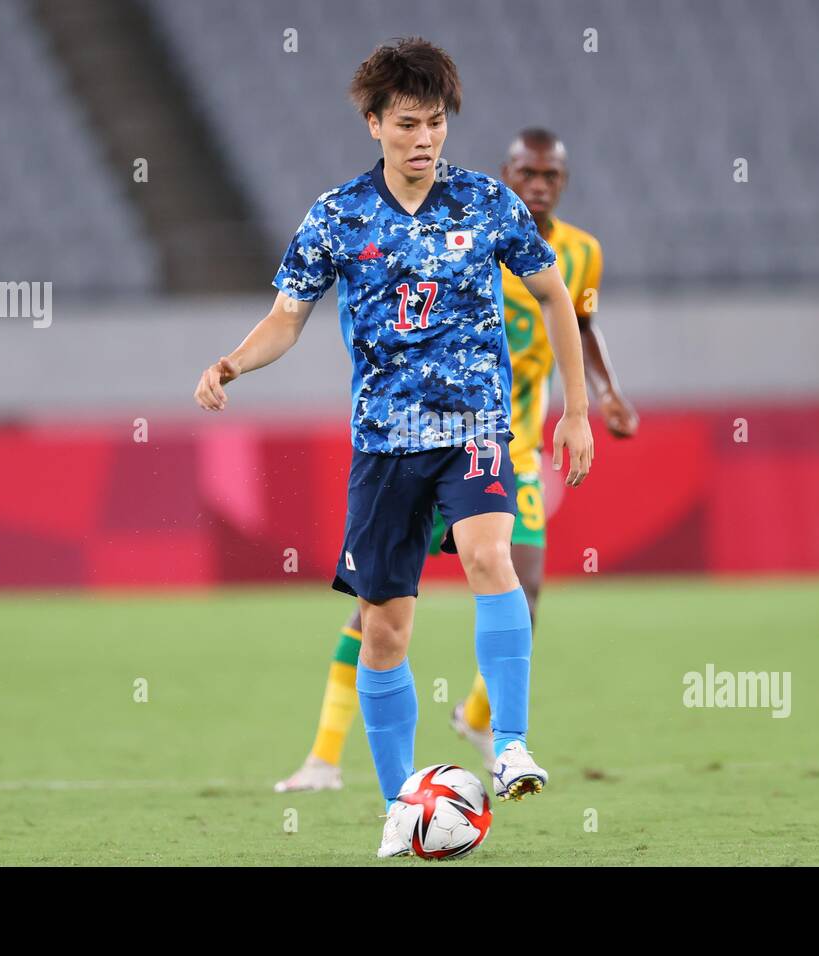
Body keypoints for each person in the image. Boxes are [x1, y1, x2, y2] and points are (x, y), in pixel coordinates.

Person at [194, 38, 594, 858]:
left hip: (477, 430)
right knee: (384, 633)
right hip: (384, 448)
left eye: (437, 122)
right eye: (407, 122)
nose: (425, 138)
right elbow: (287, 318)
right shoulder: (337, 216)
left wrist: (578, 412)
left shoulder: (486, 203)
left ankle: (511, 742)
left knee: (495, 559)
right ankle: (398, 805)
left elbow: (556, 294)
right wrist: (234, 360)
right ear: (374, 124)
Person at [274, 128, 638, 794]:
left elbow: (579, 320)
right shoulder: (470, 228)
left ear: (563, 181)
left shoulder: (580, 253)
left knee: (517, 584)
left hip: (502, 440)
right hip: (413, 437)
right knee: (378, 612)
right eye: (527, 173)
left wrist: (601, 394)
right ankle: (324, 756)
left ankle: (493, 731)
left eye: (551, 176)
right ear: (509, 172)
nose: (538, 185)